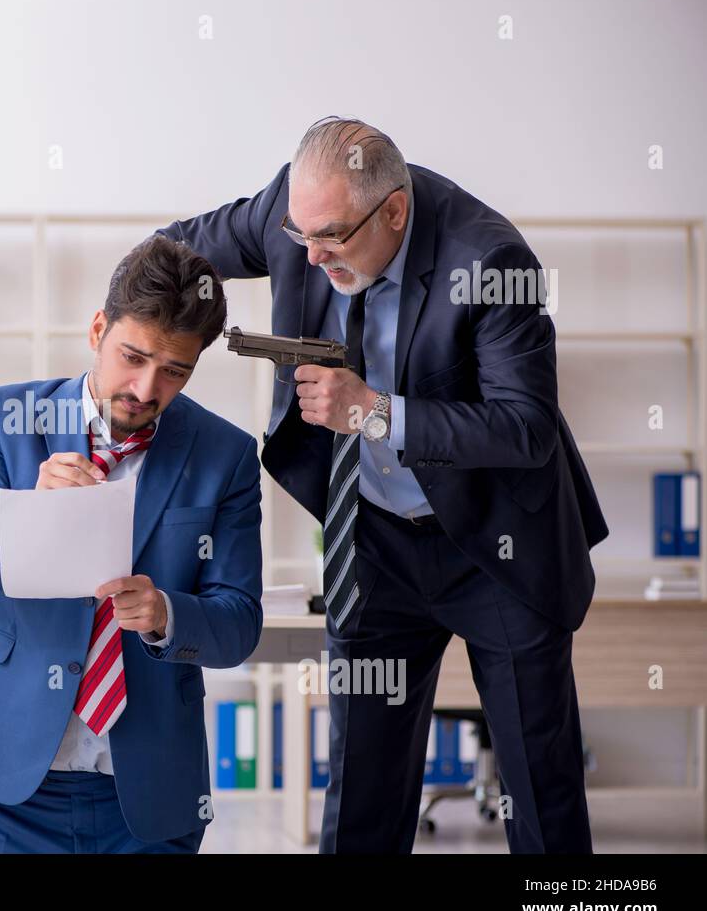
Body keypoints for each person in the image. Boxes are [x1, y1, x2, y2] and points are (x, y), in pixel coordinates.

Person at [156, 117, 608, 853]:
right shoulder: (297, 215)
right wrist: (131, 339)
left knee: (539, 790)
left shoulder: (489, 258)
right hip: (377, 546)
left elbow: (525, 427)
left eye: (330, 237)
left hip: (496, 544)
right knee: (362, 787)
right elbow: (175, 251)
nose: (309, 256)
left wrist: (372, 411)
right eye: (300, 236)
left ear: (393, 211)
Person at [0, 235, 264, 852]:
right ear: (98, 328)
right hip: (0, 785)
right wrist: (28, 516)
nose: (147, 389)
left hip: (145, 798)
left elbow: (238, 623)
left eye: (175, 370)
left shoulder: (224, 454)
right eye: (133, 357)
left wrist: (167, 613)